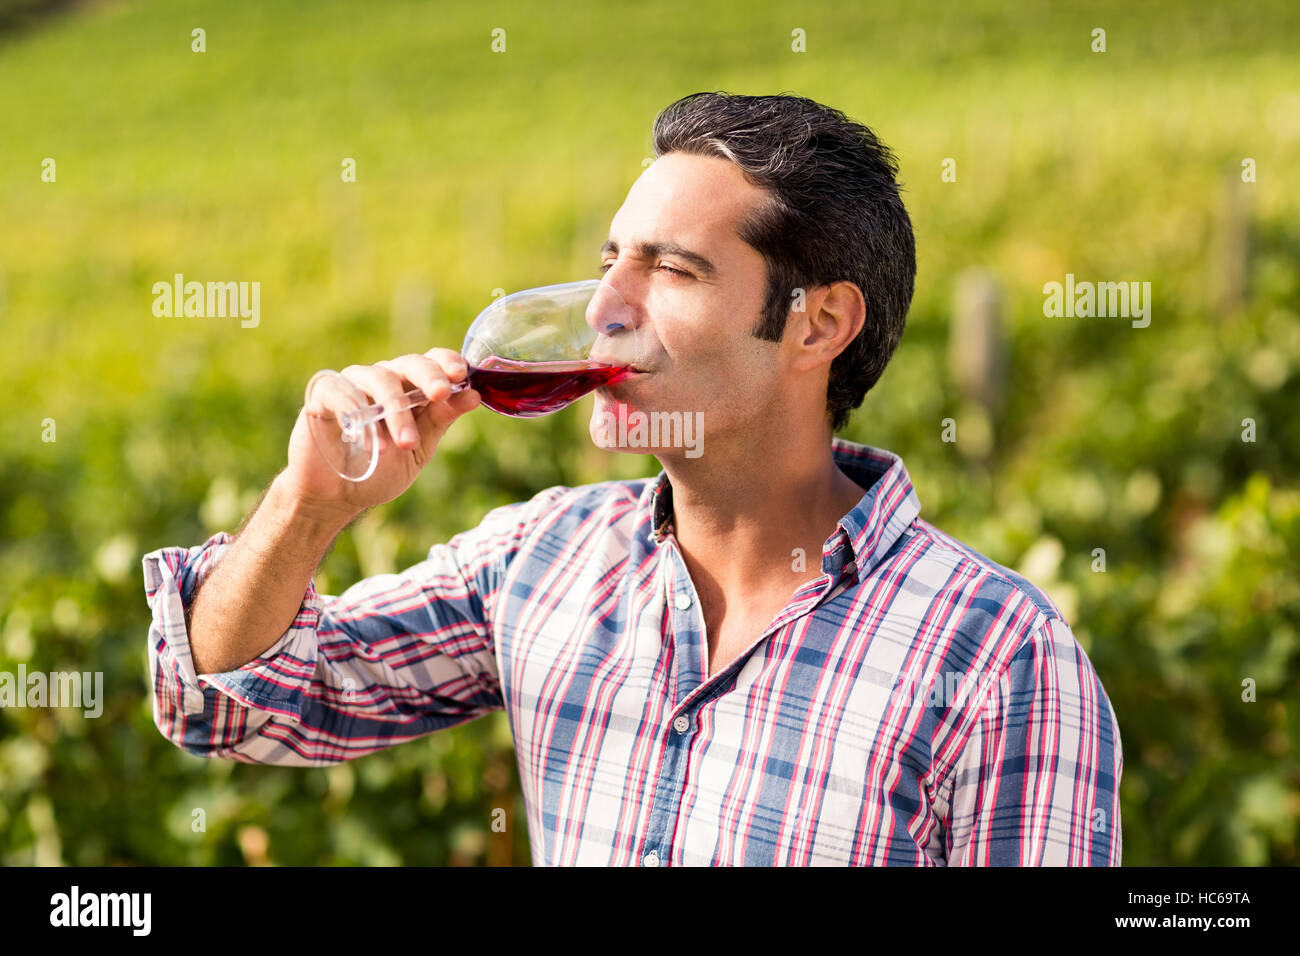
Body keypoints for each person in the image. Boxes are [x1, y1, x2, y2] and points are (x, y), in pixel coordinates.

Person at [143, 91, 1122, 866]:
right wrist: (308, 505)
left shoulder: (999, 662)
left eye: (673, 269)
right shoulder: (539, 560)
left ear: (816, 324)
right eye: (611, 259)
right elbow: (230, 704)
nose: (606, 306)